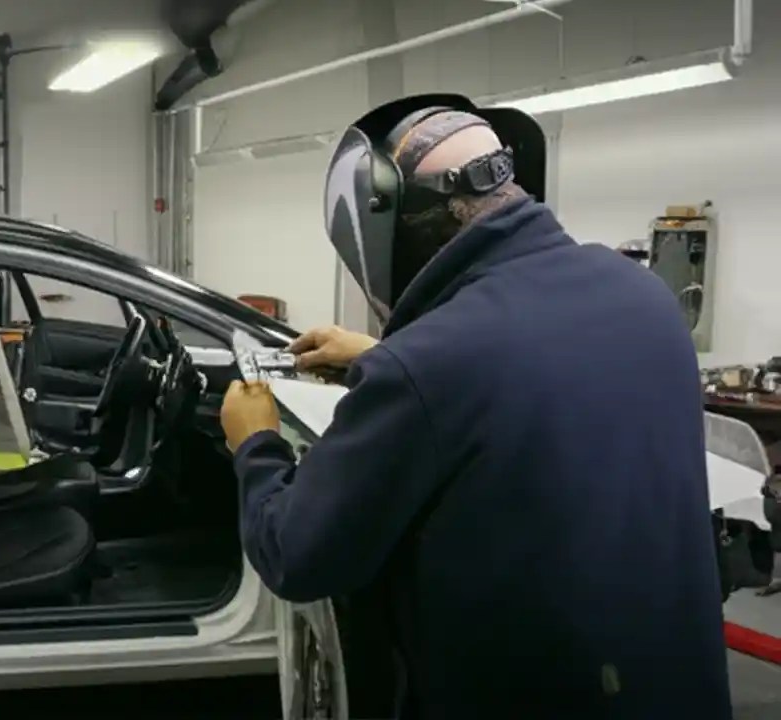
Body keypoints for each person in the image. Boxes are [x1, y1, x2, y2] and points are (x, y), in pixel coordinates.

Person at [220, 94, 731, 718]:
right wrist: (380, 358)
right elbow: (533, 373)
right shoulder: (646, 296)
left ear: (389, 226)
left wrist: (255, 444)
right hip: (671, 688)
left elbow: (295, 554)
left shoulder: (428, 367)